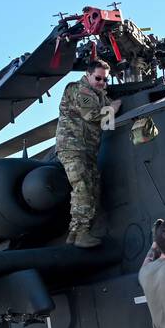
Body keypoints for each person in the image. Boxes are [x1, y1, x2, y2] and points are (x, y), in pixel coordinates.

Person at [55, 60, 121, 248]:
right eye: (98, 78)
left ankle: (75, 233)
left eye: (105, 80)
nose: (101, 82)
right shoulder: (77, 89)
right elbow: (92, 115)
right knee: (82, 187)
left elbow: (105, 119)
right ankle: (81, 233)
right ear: (87, 75)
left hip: (88, 151)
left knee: (92, 189)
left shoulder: (99, 96)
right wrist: (113, 107)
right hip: (72, 147)